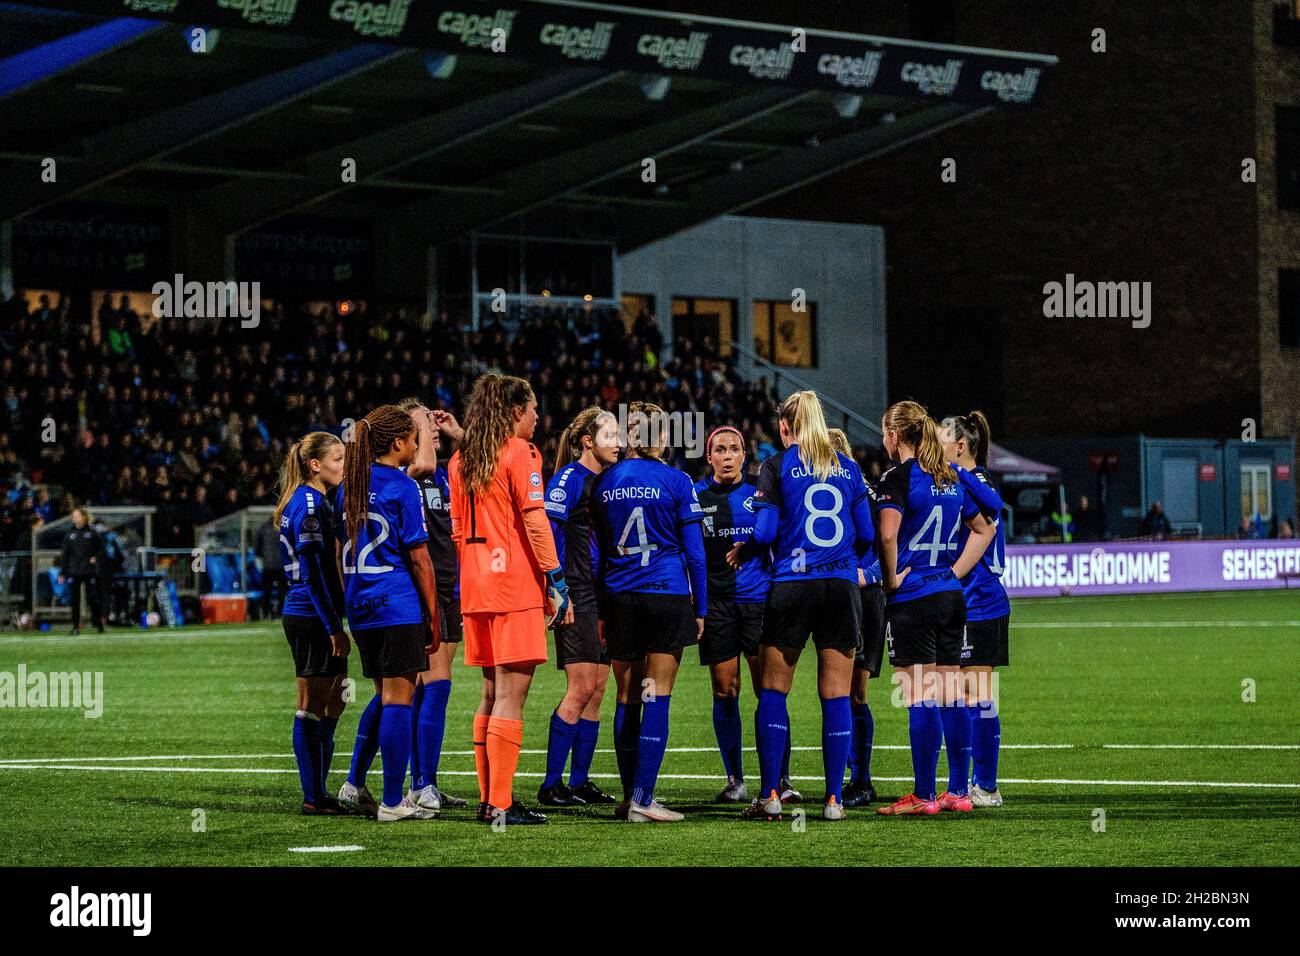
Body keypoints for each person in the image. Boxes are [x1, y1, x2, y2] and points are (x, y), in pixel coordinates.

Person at [742, 392, 875, 822]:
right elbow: (867, 534)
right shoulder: (849, 467)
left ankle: (771, 795)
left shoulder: (776, 466)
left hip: (793, 585)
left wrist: (747, 547)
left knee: (774, 690)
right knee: (836, 695)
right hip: (840, 587)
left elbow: (763, 532)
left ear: (785, 427)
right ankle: (834, 799)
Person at [449, 373, 569, 826]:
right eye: (533, 409)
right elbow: (535, 520)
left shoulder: (460, 461)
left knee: (490, 691)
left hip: (476, 586)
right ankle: (500, 803)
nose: (538, 417)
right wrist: (555, 579)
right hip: (515, 585)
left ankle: (488, 799)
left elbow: (458, 532)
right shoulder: (520, 453)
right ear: (515, 411)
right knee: (511, 697)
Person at [874, 400, 996, 817]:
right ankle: (958, 792)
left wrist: (890, 580)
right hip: (949, 594)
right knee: (951, 696)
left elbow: (888, 537)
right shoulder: (948, 478)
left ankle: (924, 796)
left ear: (894, 436)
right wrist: (954, 573)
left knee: (919, 696)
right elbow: (984, 528)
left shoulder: (898, 477)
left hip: (913, 598)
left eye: (884, 433)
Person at [590, 401, 707, 822]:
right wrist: (702, 607)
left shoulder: (604, 483)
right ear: (659, 437)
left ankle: (628, 797)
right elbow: (695, 554)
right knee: (656, 694)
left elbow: (600, 553)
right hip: (665, 593)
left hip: (620, 596)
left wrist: (603, 611)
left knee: (626, 696)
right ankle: (643, 797)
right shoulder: (676, 480)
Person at [334, 405, 442, 822]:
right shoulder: (402, 487)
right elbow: (419, 559)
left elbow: (335, 555)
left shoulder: (349, 487)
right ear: (398, 443)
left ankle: (356, 782)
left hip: (361, 608)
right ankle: (395, 802)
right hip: (396, 603)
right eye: (414, 438)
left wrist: (350, 601)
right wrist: (431, 614)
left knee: (385, 695)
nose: (417, 445)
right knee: (401, 698)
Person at [537, 406, 621, 808]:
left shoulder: (606, 480)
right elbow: (548, 531)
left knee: (598, 689)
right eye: (610, 435)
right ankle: (551, 785)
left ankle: (580, 781)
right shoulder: (570, 478)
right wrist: (556, 589)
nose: (618, 443)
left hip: (604, 594)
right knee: (581, 686)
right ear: (588, 441)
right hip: (577, 590)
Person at [395, 397, 467, 812]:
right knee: (435, 686)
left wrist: (456, 434)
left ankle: (424, 783)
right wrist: (422, 431)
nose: (433, 428)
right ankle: (420, 784)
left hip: (450, 585)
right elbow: (419, 461)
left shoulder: (442, 475)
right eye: (425, 423)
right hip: (422, 588)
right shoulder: (406, 473)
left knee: (429, 687)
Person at [273, 432, 350, 815]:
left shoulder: (315, 499)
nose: (343, 465)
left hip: (314, 612)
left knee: (335, 698)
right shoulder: (309, 504)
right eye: (337, 459)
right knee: (310, 705)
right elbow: (313, 573)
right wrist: (334, 625)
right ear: (314, 465)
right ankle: (313, 795)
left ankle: (319, 788)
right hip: (310, 614)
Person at [694, 425, 771, 804]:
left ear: (744, 455)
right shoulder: (695, 496)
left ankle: (778, 778)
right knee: (726, 691)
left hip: (757, 603)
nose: (727, 455)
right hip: (718, 605)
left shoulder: (760, 492)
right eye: (720, 449)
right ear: (709, 457)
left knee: (767, 691)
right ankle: (735, 779)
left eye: (735, 449)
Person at [941, 411, 1010, 808]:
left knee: (976, 695)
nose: (935, 444)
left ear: (960, 446)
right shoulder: (970, 482)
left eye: (941, 438)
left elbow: (985, 528)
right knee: (965, 694)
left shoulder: (974, 483)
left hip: (979, 602)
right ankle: (974, 782)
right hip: (972, 601)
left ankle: (985, 784)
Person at [826, 428, 882, 808]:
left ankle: (861, 779)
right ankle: (847, 776)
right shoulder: (820, 493)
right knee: (837, 691)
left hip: (864, 596)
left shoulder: (868, 495)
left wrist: (872, 573)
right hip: (837, 594)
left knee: (854, 691)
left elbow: (891, 542)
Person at [59, 507, 104, 635]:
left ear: (84, 517)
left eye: (78, 515)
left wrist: (96, 557)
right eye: (74, 516)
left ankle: (98, 622)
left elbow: (101, 549)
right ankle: (75, 626)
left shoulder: (92, 533)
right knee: (74, 600)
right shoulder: (69, 534)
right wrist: (63, 572)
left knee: (91, 598)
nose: (75, 518)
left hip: (89, 570)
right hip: (74, 571)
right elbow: (65, 554)